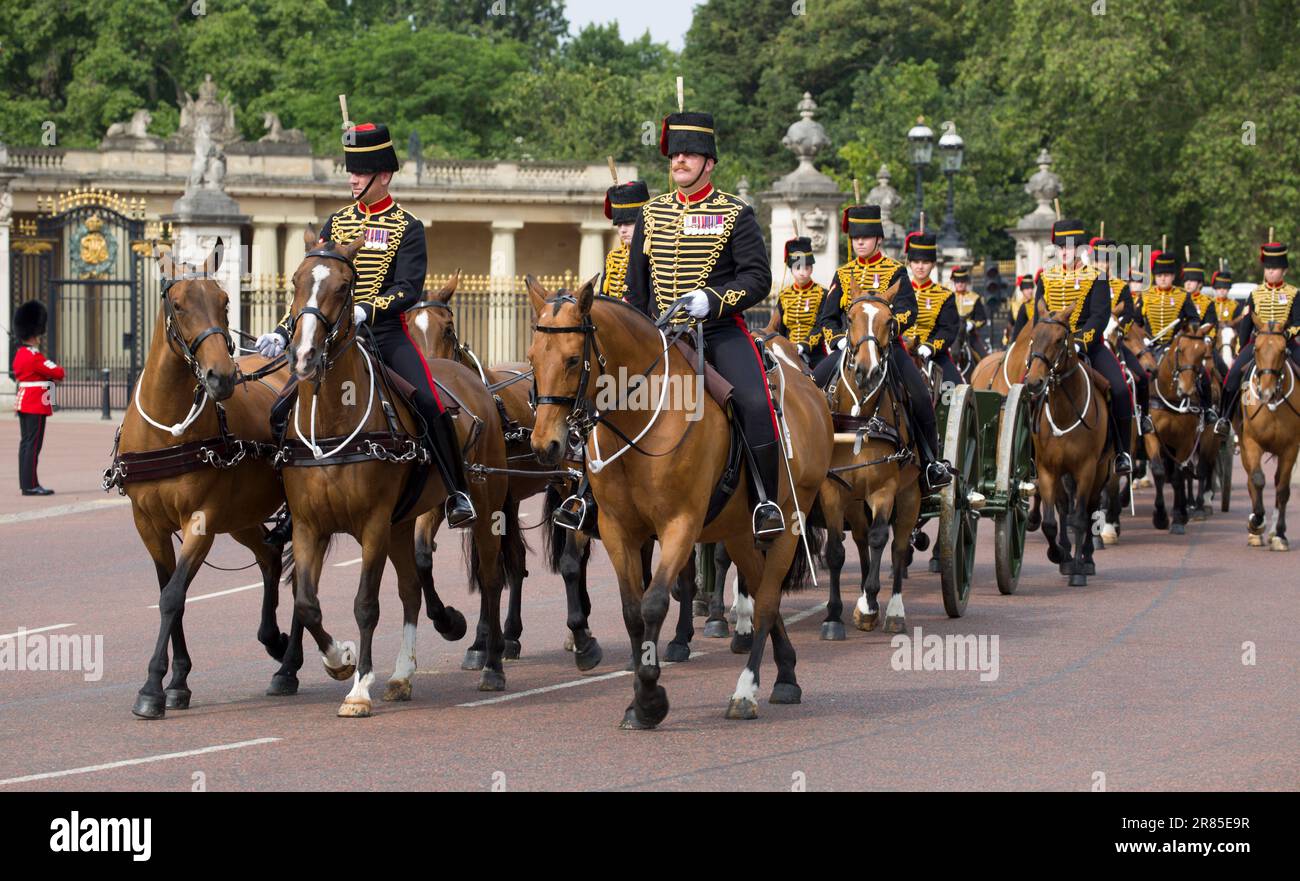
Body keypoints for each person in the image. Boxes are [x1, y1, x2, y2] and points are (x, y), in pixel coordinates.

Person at [257, 122, 475, 527]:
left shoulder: (407, 227)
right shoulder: (335, 223)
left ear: (384, 176)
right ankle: (292, 502)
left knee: (429, 403)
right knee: (280, 407)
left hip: (386, 334)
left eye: (360, 171)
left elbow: (409, 289)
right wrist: (283, 331)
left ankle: (456, 491)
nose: (352, 178)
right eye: (351, 170)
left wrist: (367, 311)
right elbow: (313, 293)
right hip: (335, 338)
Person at [624, 109, 785, 542]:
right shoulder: (651, 214)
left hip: (718, 331)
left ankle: (765, 502)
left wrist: (710, 300)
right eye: (675, 154)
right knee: (609, 397)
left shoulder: (734, 212)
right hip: (661, 337)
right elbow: (635, 291)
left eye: (691, 154)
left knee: (754, 404)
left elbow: (757, 278)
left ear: (709, 163)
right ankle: (587, 494)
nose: (680, 161)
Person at [811, 203, 953, 492]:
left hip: (889, 348)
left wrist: (884, 331)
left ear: (878, 239)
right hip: (849, 351)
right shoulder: (842, 274)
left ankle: (930, 463)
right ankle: (808, 458)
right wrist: (837, 338)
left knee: (920, 398)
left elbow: (908, 311)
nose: (859, 242)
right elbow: (827, 317)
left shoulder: (895, 271)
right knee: (810, 387)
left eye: (865, 236)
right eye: (855, 237)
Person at [1017, 219, 1134, 474]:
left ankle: (1121, 452)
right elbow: (1039, 319)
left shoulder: (1096, 278)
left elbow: (1100, 316)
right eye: (1061, 248)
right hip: (1049, 351)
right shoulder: (1046, 279)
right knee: (1021, 392)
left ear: (1081, 249)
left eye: (1070, 247)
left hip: (1088, 347)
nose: (1065, 252)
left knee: (1121, 390)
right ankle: (1026, 454)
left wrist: (1080, 343)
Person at [1215, 241, 1300, 437]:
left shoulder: (1294, 293)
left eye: (1275, 268)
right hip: (1258, 343)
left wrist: (1288, 334)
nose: (1271, 272)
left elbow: (1298, 321)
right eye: (1268, 268)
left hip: (1286, 342)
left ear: (1284, 271)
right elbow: (1246, 324)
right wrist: (1241, 348)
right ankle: (1225, 418)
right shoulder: (1255, 294)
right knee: (1233, 376)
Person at [1093, 237, 1151, 433]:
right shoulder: (1085, 284)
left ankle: (1143, 418)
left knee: (1142, 377)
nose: (1103, 264)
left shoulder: (1121, 287)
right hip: (1089, 341)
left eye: (1106, 260)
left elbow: (1129, 316)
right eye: (1100, 260)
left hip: (1114, 341)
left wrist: (1117, 331)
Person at [11, 300, 64, 496]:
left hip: (25, 402)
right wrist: (49, 375)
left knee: (26, 445)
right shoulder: (34, 356)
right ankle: (31, 485)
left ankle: (26, 483)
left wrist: (45, 375)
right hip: (35, 404)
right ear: (34, 335)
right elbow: (58, 372)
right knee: (33, 446)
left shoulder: (20, 355)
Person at [900, 231, 962, 386]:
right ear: (909, 263)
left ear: (933, 264)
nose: (920, 267)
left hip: (932, 354)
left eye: (925, 262)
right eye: (916, 262)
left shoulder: (945, 296)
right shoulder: (898, 292)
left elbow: (948, 330)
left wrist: (930, 347)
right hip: (899, 350)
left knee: (954, 386)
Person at [772, 236, 827, 369]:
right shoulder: (784, 295)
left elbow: (822, 326)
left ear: (811, 269)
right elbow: (781, 329)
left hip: (815, 355)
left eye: (806, 268)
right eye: (798, 268)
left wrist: (804, 345)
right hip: (788, 353)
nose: (802, 272)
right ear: (791, 269)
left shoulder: (822, 294)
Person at [600, 180, 649, 298]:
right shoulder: (613, 258)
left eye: (628, 223)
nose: (622, 230)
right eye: (619, 225)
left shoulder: (653, 256)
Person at [951, 265, 990, 361]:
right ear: (954, 282)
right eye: (957, 281)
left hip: (969, 336)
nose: (960, 284)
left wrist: (971, 325)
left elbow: (982, 319)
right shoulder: (948, 297)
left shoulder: (974, 298)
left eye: (962, 281)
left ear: (966, 282)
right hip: (951, 335)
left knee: (985, 359)